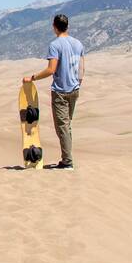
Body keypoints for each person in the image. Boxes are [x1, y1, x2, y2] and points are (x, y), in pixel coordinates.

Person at [22, 13, 84, 170]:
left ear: (54, 27)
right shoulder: (78, 44)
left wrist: (33, 78)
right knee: (66, 126)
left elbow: (51, 69)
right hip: (74, 90)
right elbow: (81, 68)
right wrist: (78, 83)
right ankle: (66, 158)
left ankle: (67, 162)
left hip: (61, 92)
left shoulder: (55, 45)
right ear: (67, 26)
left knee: (62, 127)